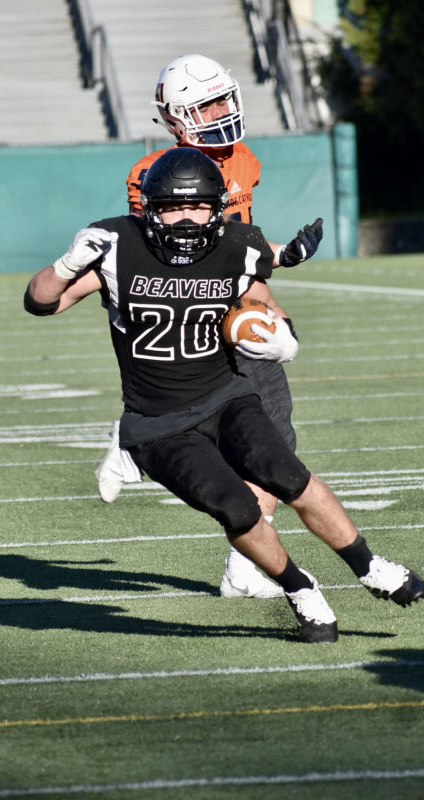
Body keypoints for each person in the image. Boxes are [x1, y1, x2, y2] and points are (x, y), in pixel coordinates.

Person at [23, 147, 424, 642]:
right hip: (157, 424)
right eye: (173, 206)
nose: (187, 218)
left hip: (224, 397)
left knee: (288, 476)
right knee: (236, 510)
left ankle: (370, 568)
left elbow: (260, 295)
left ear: (218, 208)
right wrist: (66, 263)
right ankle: (301, 590)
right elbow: (41, 302)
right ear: (150, 209)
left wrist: (280, 332)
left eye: (197, 206)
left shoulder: (238, 244)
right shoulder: (118, 244)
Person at [96, 53, 323, 602]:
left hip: (228, 306)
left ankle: (242, 566)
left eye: (224, 98)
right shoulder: (150, 176)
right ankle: (131, 436)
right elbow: (171, 252)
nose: (222, 111)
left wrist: (277, 278)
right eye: (207, 105)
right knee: (250, 441)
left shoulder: (243, 162)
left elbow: (237, 246)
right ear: (175, 119)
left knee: (274, 438)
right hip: (180, 314)